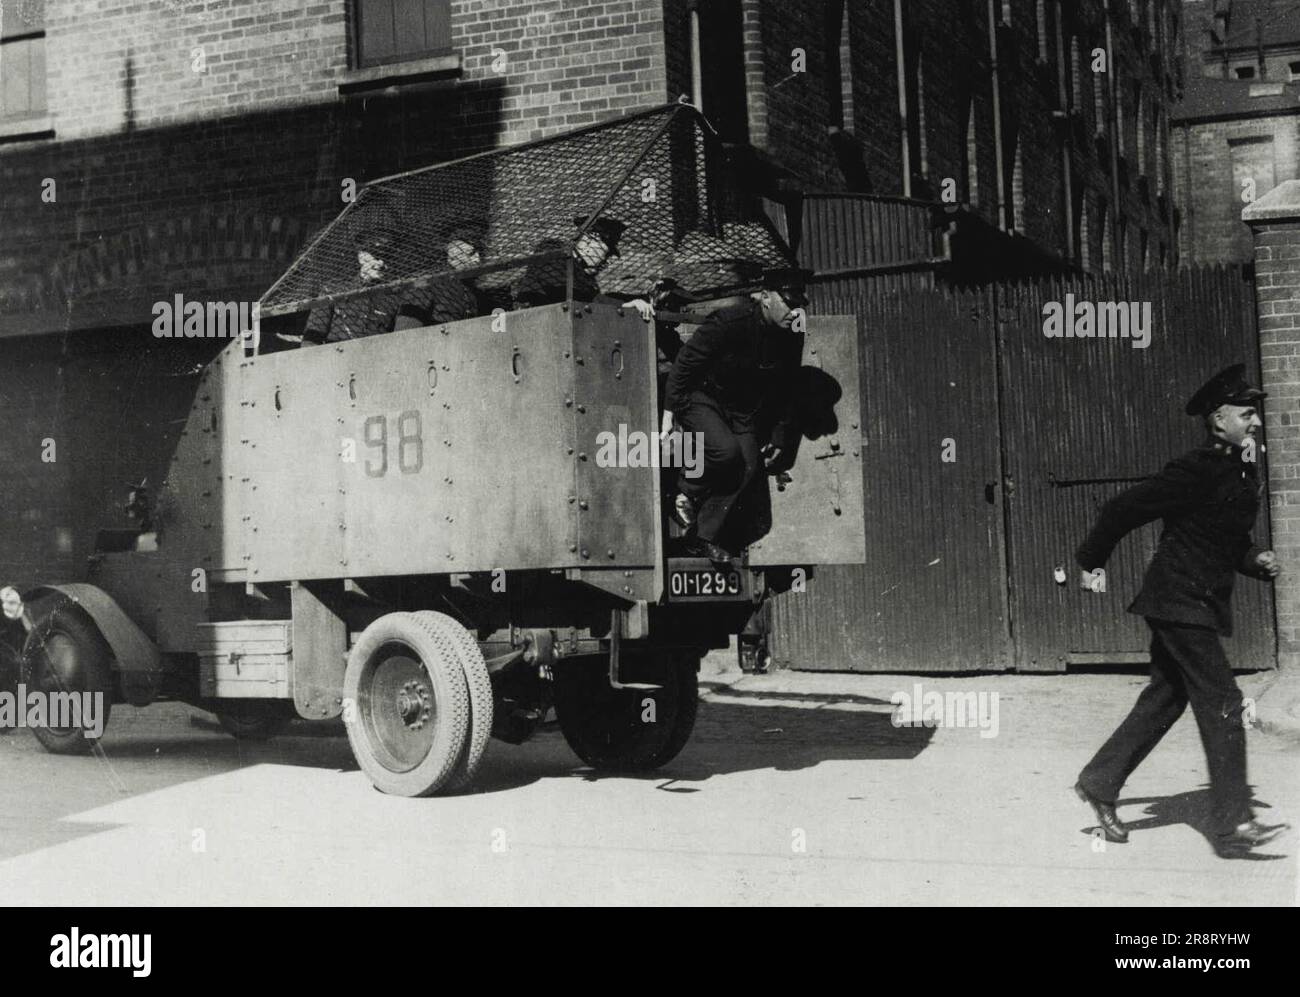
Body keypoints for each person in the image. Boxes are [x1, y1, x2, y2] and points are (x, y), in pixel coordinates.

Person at [1073, 363, 1291, 856]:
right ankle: (1234, 823)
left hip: (1195, 600)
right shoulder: (1196, 469)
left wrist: (1255, 558)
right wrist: (1092, 561)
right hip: (1178, 600)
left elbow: (1226, 540)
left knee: (1165, 700)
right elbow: (1121, 509)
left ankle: (1099, 781)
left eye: (1255, 413)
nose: (1255, 421)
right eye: (1245, 413)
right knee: (1225, 702)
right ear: (1218, 420)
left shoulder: (1240, 470)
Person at [661, 267, 809, 564]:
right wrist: (669, 413)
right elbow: (685, 364)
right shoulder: (731, 321)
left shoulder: (792, 336)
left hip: (741, 410)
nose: (794, 313)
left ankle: (701, 537)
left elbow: (788, 385)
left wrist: (779, 432)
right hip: (701, 397)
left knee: (750, 465)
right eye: (789, 304)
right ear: (766, 297)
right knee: (726, 452)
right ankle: (684, 492)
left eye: (798, 306)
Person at [298, 221, 436, 345]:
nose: (381, 263)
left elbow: (401, 341)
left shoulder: (396, 296)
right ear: (361, 256)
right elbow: (311, 339)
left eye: (387, 256)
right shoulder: (333, 290)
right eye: (376, 255)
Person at [511, 214, 653, 320]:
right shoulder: (553, 250)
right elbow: (578, 293)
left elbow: (592, 297)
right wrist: (620, 305)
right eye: (607, 252)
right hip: (533, 321)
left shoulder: (583, 276)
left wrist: (628, 303)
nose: (606, 260)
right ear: (590, 241)